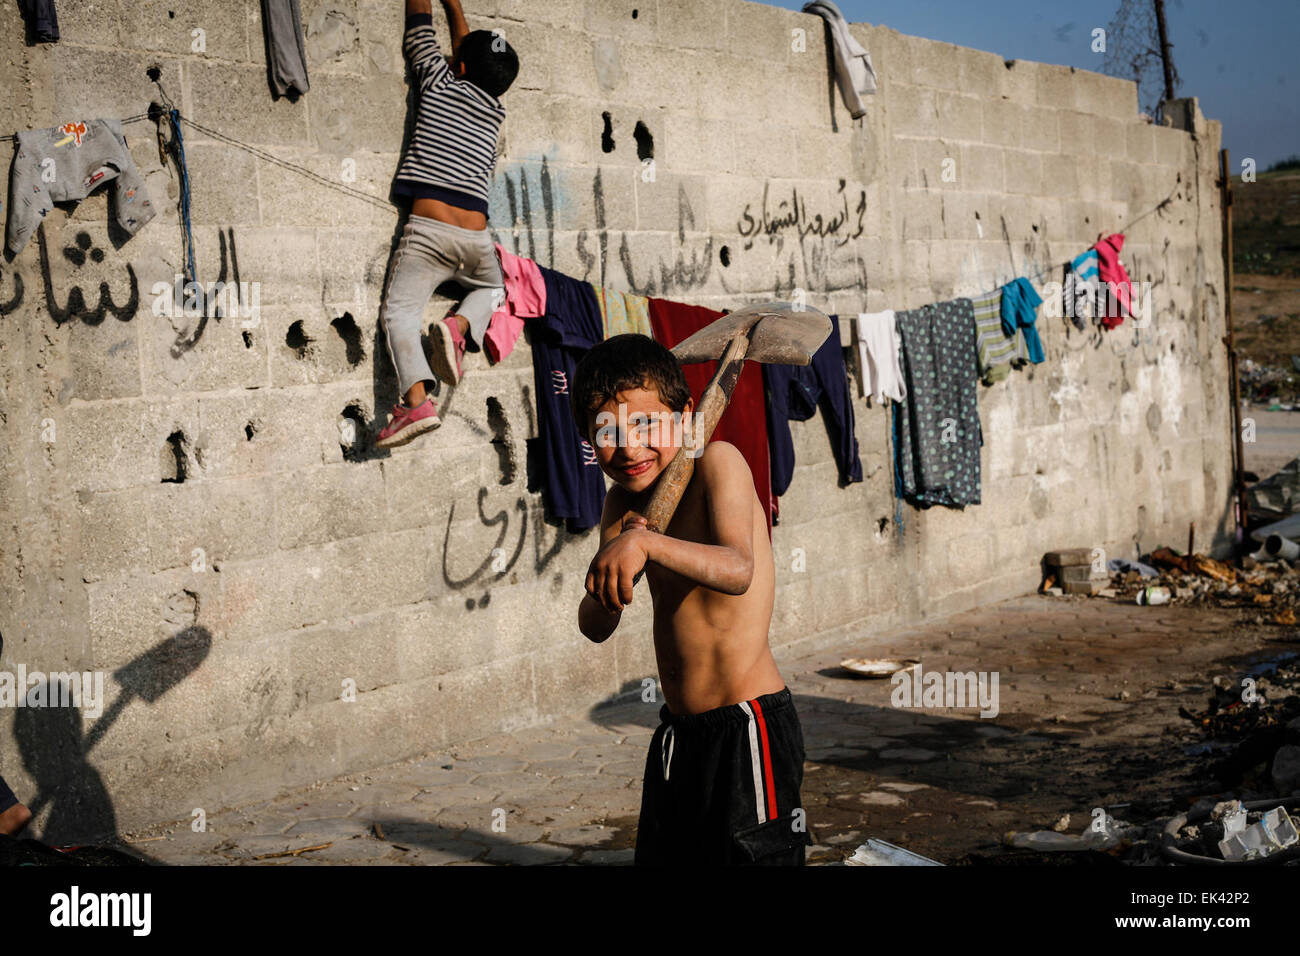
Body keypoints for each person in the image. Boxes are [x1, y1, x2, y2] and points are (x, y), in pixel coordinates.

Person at [573, 334, 811, 865]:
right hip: (681, 732)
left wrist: (648, 543)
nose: (629, 447)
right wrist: (614, 560)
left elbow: (737, 568)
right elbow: (594, 624)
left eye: (644, 424)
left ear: (686, 415)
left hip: (748, 725)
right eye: (606, 433)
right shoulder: (623, 500)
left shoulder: (718, 464)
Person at [375, 0, 519, 449]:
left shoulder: (437, 81)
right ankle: (458, 330)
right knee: (494, 290)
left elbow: (419, 26)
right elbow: (469, 55)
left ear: (455, 65)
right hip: (476, 239)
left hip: (428, 233)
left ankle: (416, 402)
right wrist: (454, 4)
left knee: (399, 314)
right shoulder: (495, 113)